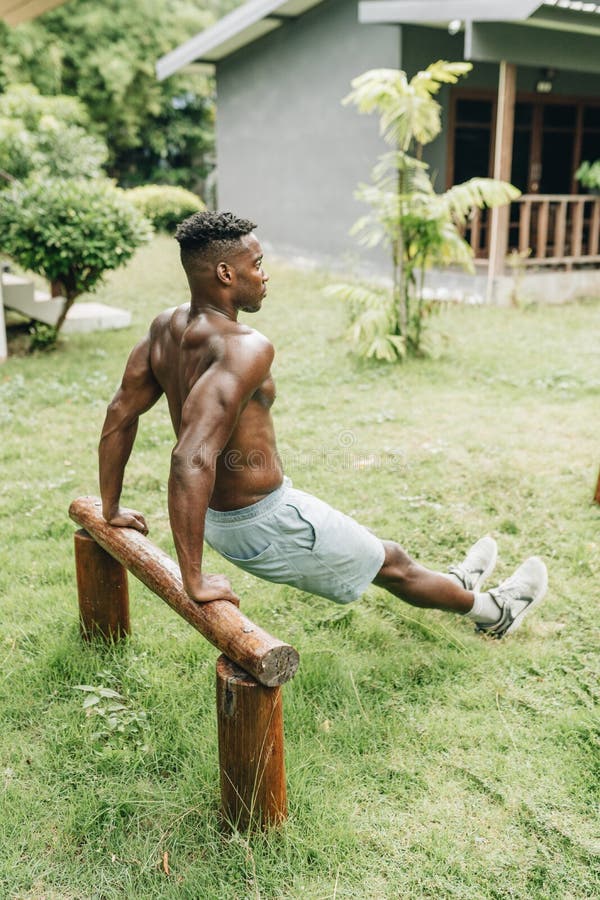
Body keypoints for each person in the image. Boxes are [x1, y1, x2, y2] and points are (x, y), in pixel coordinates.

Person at [98, 211, 547, 638]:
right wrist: (192, 579)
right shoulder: (243, 348)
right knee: (392, 564)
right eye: (257, 264)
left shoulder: (166, 327)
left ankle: (457, 582)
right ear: (224, 274)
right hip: (263, 523)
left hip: (227, 518)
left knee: (386, 554)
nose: (264, 274)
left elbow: (120, 413)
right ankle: (494, 612)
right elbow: (190, 457)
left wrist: (111, 507)